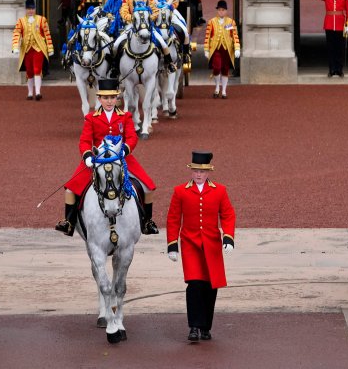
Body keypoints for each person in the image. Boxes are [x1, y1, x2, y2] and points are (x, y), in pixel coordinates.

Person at [56, 78, 159, 236]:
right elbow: (84, 141)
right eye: (105, 98)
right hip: (97, 159)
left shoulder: (125, 116)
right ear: (99, 99)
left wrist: (125, 149)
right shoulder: (91, 117)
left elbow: (132, 137)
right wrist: (88, 156)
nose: (109, 101)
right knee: (70, 189)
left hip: (122, 158)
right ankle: (69, 222)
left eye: (112, 97)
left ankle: (147, 222)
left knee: (148, 187)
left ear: (117, 97)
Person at [167, 150, 236, 343]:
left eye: (202, 171)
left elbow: (228, 214)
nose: (198, 174)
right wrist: (172, 245)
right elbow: (173, 219)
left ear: (208, 173)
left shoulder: (220, 190)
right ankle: (194, 327)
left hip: (212, 244)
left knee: (209, 286)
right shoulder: (179, 191)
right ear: (191, 171)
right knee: (194, 284)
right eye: (196, 170)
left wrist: (228, 237)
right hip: (190, 244)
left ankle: (205, 327)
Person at [12, 0, 54, 100]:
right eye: (28, 8)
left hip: (38, 49)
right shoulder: (21, 21)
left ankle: (38, 92)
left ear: (35, 9)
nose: (31, 10)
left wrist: (50, 48)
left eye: (32, 8)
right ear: (26, 9)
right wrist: (15, 46)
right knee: (29, 71)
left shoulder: (41, 20)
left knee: (37, 69)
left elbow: (47, 34)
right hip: (26, 50)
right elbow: (16, 33)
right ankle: (30, 93)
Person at [202, 0, 240, 99]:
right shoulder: (211, 22)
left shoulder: (231, 22)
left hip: (227, 49)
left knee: (225, 70)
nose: (221, 12)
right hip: (216, 49)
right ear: (217, 11)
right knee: (217, 68)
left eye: (223, 10)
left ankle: (223, 91)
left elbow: (235, 36)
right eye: (219, 10)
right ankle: (217, 87)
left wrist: (237, 48)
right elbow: (207, 37)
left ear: (226, 11)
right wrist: (206, 49)